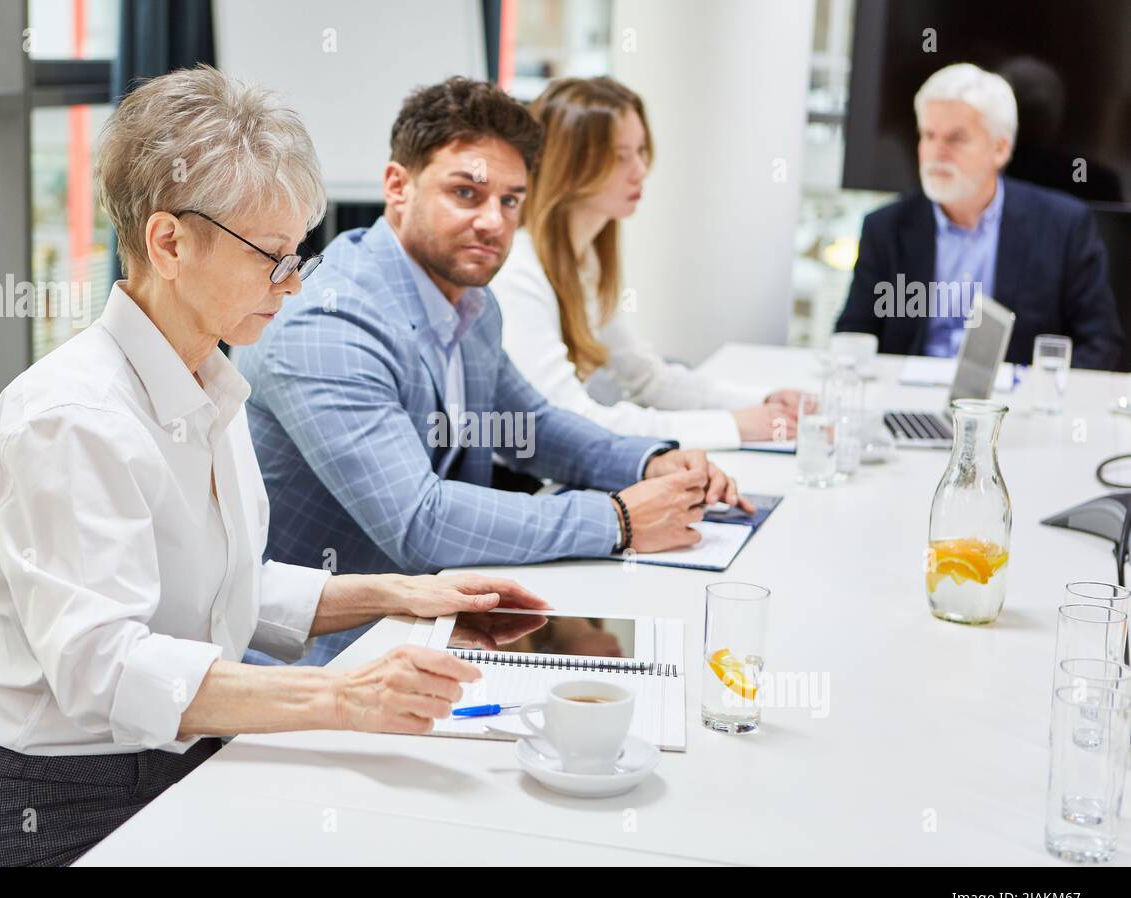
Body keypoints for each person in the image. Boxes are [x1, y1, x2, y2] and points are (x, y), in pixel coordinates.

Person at [0, 67, 547, 867]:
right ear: (168, 242)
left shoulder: (206, 380)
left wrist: (399, 594)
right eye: (272, 257)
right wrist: (341, 696)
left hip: (182, 759)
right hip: (69, 808)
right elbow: (109, 668)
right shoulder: (70, 420)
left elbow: (218, 592)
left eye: (297, 253)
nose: (295, 282)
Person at [236, 78, 752, 664]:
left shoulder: (471, 304)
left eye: (510, 200)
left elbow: (533, 425)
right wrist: (617, 519)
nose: (494, 222)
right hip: (321, 659)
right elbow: (418, 520)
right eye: (466, 193)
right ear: (397, 186)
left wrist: (648, 460)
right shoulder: (327, 321)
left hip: (436, 623)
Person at [489, 76, 801, 450]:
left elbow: (644, 376)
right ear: (566, 167)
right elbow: (568, 418)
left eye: (641, 152)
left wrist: (761, 401)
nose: (640, 171)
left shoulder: (583, 259)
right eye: (620, 157)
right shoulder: (519, 271)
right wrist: (733, 426)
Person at [835, 62, 1123, 370]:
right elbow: (852, 335)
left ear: (1000, 149)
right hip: (909, 403)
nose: (936, 152)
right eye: (929, 136)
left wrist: (1036, 391)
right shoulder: (885, 227)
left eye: (955, 138)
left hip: (1013, 407)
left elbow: (1101, 342)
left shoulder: (1063, 226)